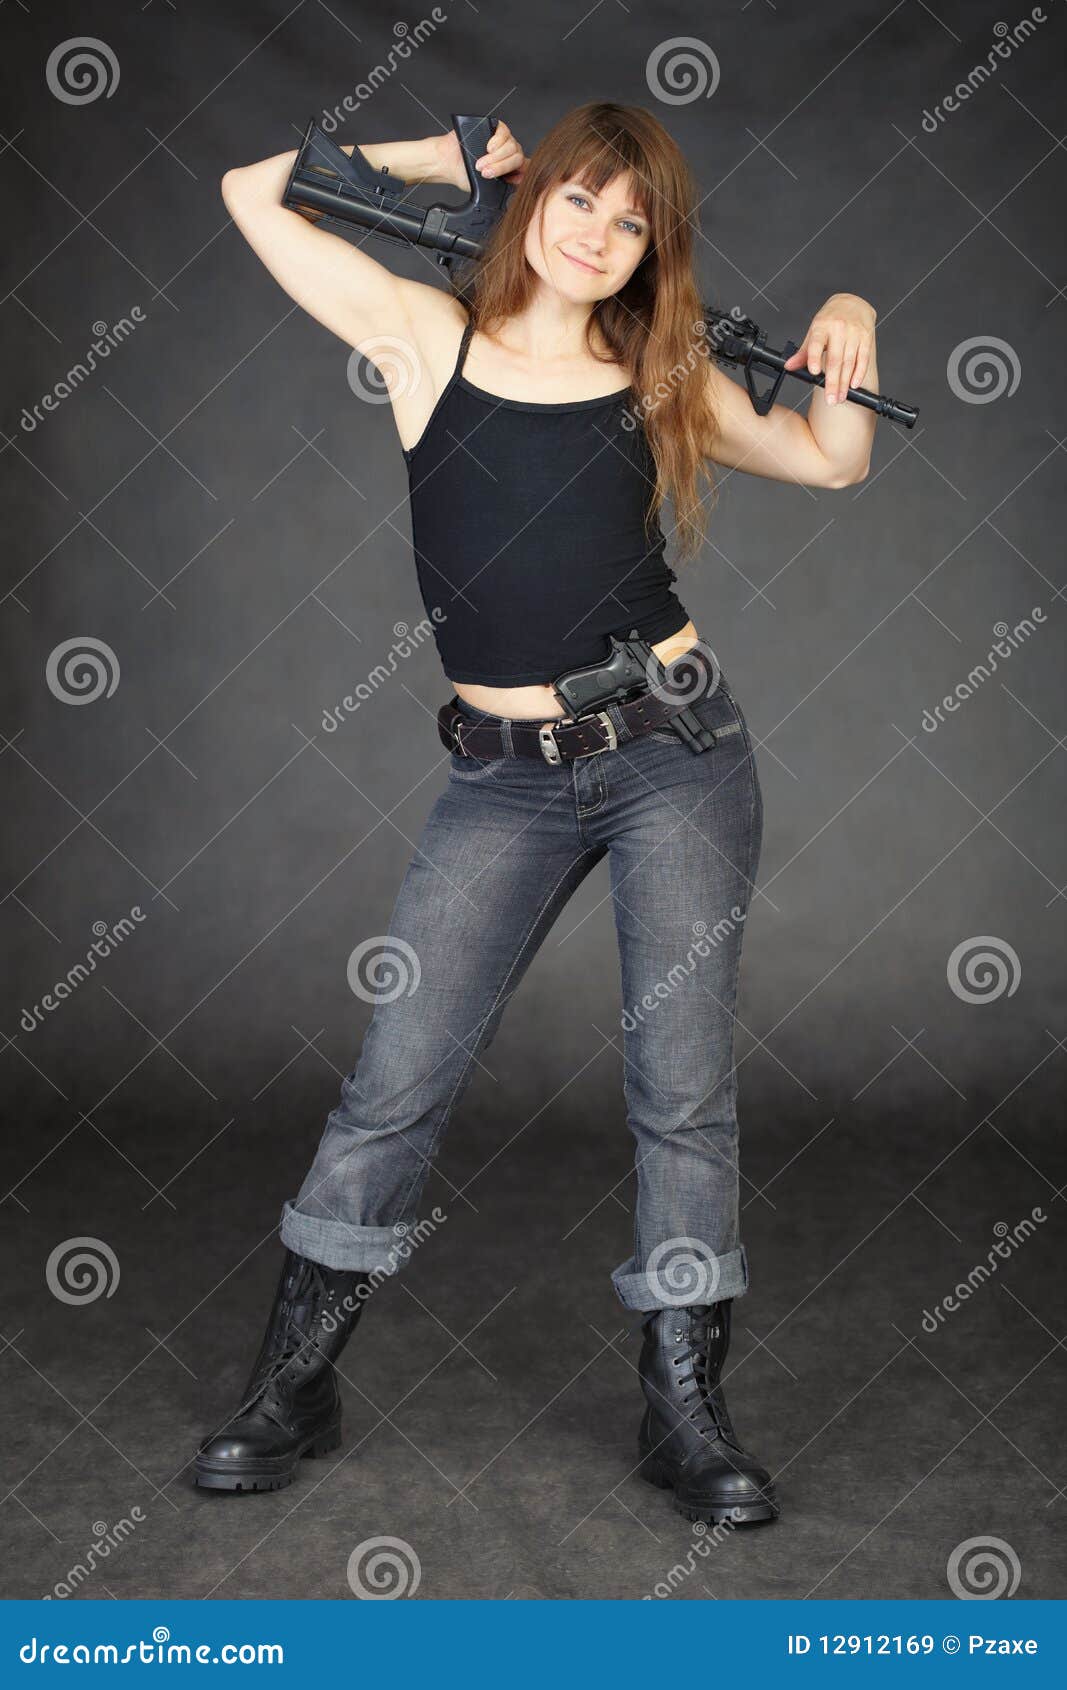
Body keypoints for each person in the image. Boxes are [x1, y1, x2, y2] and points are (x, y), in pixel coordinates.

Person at [194, 102, 878, 1523]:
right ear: (535, 200)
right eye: (579, 198)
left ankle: (683, 1405)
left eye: (632, 222)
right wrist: (449, 154)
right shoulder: (422, 339)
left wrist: (851, 317)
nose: (597, 233)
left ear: (649, 253)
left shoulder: (663, 372)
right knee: (398, 1077)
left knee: (680, 1095)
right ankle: (293, 1380)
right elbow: (256, 188)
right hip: (502, 778)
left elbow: (832, 459)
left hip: (674, 752)